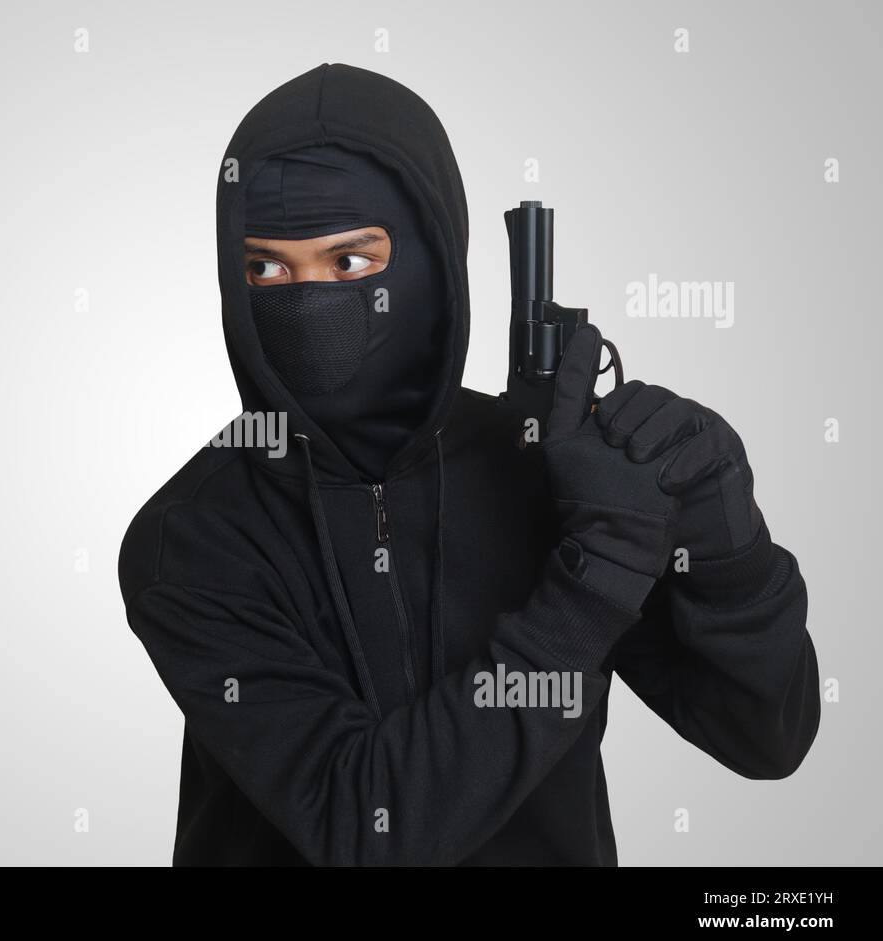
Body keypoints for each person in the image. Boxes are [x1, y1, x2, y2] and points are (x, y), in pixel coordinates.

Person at [117, 63, 820, 866]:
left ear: (435, 262)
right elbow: (366, 826)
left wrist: (727, 551)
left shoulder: (549, 469)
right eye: (268, 269)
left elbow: (769, 738)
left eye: (350, 263)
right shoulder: (192, 539)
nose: (307, 300)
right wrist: (596, 579)